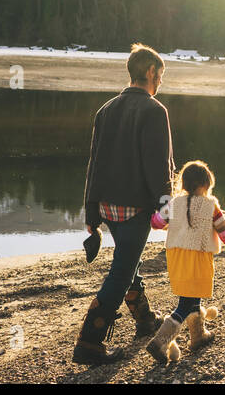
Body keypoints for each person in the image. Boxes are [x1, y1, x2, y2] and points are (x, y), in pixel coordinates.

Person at [72, 44, 176, 365]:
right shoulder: (155, 111)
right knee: (121, 270)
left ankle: (144, 320)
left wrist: (92, 212)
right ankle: (90, 340)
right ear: (149, 73)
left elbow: (95, 164)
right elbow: (158, 167)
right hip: (135, 209)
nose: (160, 82)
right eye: (160, 75)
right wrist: (166, 207)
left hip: (107, 207)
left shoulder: (106, 110)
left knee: (127, 262)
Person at [146, 160, 225, 364]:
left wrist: (167, 219)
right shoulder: (211, 205)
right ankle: (159, 342)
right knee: (186, 302)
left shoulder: (174, 203)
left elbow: (156, 223)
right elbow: (224, 230)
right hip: (198, 257)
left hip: (177, 258)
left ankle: (198, 336)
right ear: (205, 185)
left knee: (191, 296)